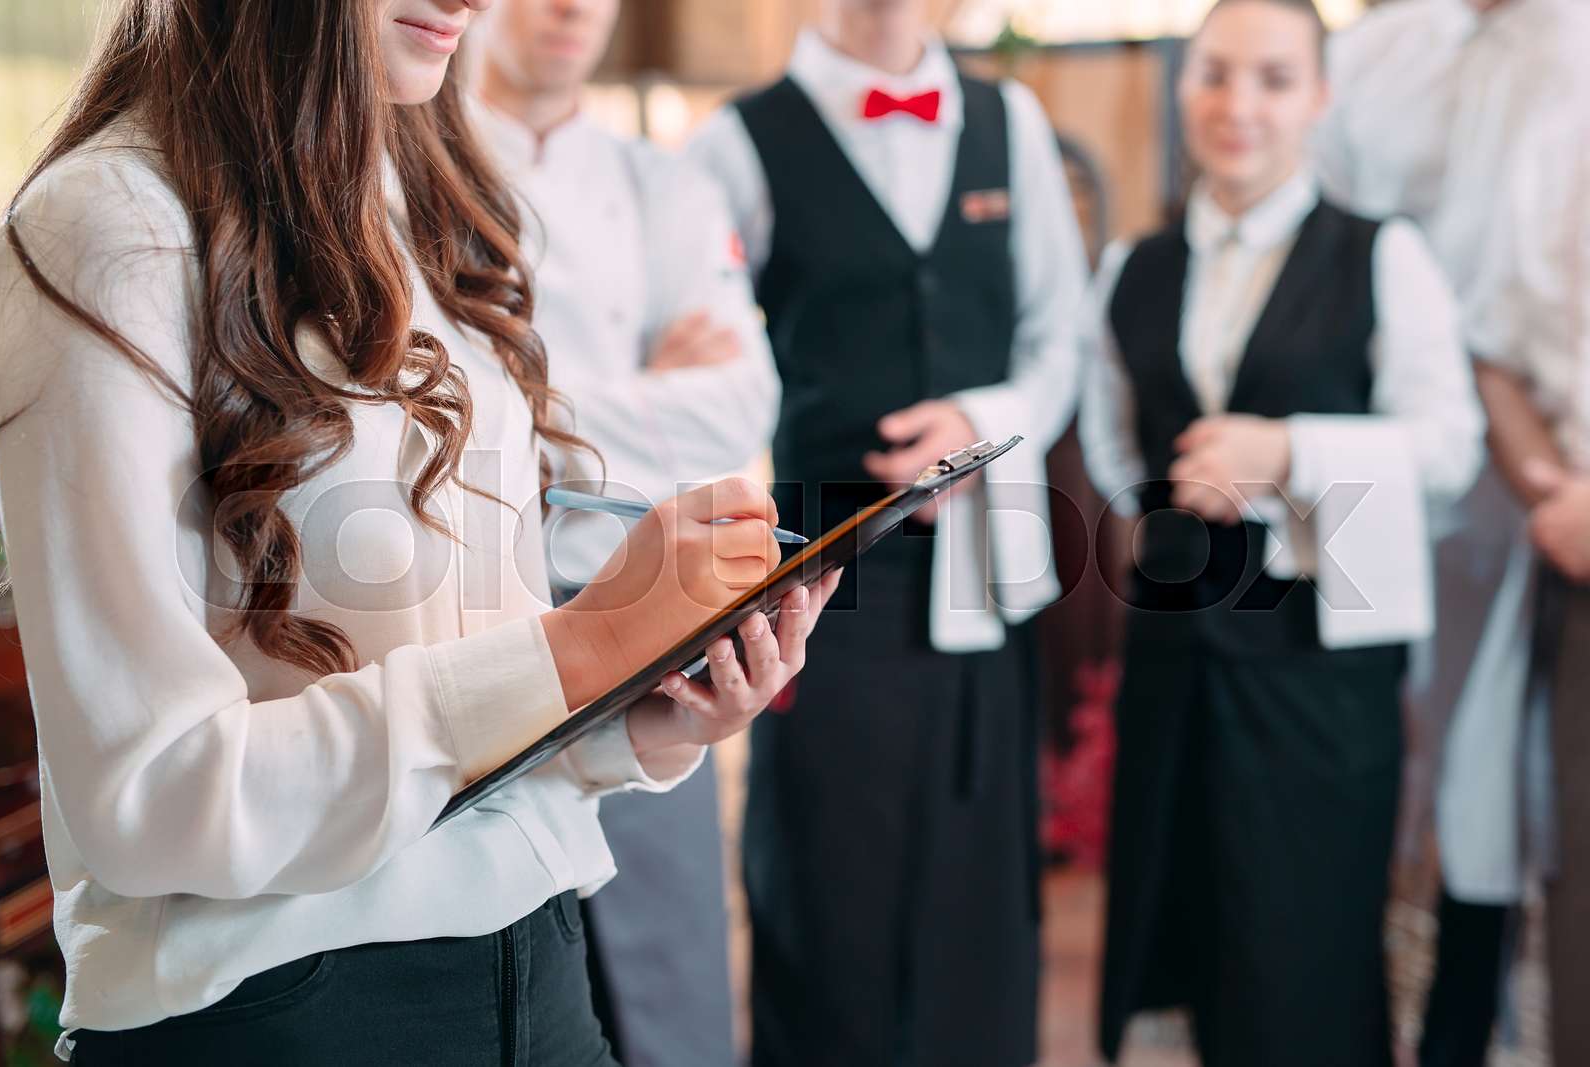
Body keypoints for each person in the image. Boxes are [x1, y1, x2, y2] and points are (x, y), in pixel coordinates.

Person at [0, 2, 841, 1064]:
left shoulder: (415, 195)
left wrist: (637, 712)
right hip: (274, 1014)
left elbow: (468, 676)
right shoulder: (99, 229)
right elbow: (148, 796)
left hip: (540, 969)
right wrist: (581, 649)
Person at [1078, 1, 1484, 1063]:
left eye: (1271, 78)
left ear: (1318, 96)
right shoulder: (1133, 264)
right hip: (1175, 654)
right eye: (1215, 74)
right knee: (1174, 934)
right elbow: (1118, 446)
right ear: (1184, 85)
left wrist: (1290, 452)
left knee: (1302, 955)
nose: (1237, 105)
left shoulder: (1380, 256)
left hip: (1318, 671)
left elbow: (1448, 446)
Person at [687, 1, 1088, 1062]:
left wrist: (984, 425)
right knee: (828, 898)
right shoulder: (734, 142)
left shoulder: (1014, 123)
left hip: (982, 583)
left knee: (978, 903)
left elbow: (1059, 334)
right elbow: (707, 359)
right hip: (822, 593)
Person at [470, 1, 780, 1063]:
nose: (569, 10)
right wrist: (650, 390)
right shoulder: (404, 169)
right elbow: (441, 416)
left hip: (656, 620)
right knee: (502, 985)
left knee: (675, 993)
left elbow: (740, 405)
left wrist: (527, 396)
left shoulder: (667, 184)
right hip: (473, 628)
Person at [1314, 2, 1590, 1061]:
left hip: (1530, 483)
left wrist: (1543, 484)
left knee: (1511, 787)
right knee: (1395, 761)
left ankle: (1472, 1020)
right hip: (1375, 473)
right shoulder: (1368, 55)